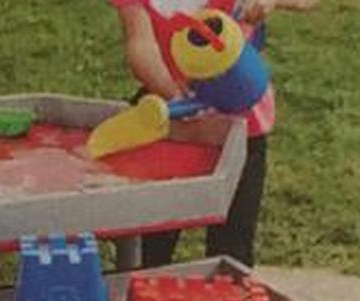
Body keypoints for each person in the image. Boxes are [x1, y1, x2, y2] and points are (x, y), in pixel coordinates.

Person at [107, 0, 316, 267]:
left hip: (240, 128)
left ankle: (228, 300)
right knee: (152, 242)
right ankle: (145, 297)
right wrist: (174, 96)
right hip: (171, 125)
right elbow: (141, 46)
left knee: (232, 249)